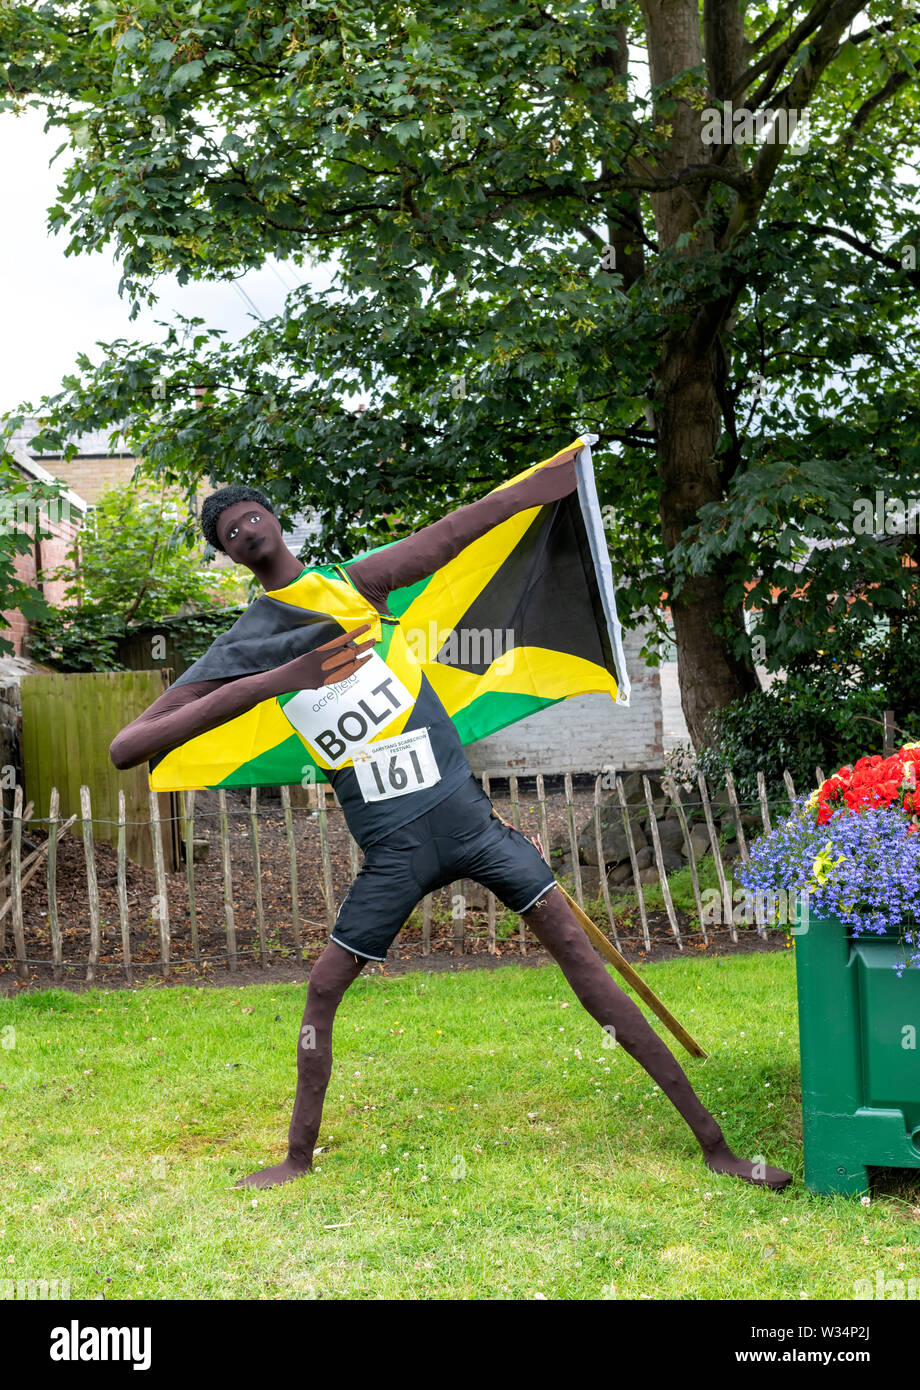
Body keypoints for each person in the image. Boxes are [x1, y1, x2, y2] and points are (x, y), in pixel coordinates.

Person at [110, 457, 792, 1192]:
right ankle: (295, 1158)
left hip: (473, 825)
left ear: (274, 519)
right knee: (323, 991)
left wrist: (542, 486)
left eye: (249, 516)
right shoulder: (245, 644)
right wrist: (278, 682)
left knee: (586, 969)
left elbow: (451, 535)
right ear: (226, 554)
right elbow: (129, 747)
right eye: (226, 531)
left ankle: (714, 1145)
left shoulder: (354, 584)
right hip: (393, 852)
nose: (243, 530)